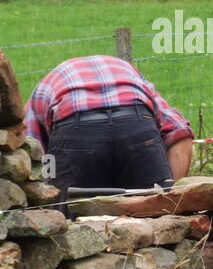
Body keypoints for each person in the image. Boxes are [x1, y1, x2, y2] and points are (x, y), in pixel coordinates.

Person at [24, 55, 193, 202]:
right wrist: (171, 199)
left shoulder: (41, 91)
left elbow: (32, 156)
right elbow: (179, 132)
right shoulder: (133, 77)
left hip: (74, 128)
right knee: (155, 215)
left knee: (71, 227)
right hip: (136, 122)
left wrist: (51, 194)